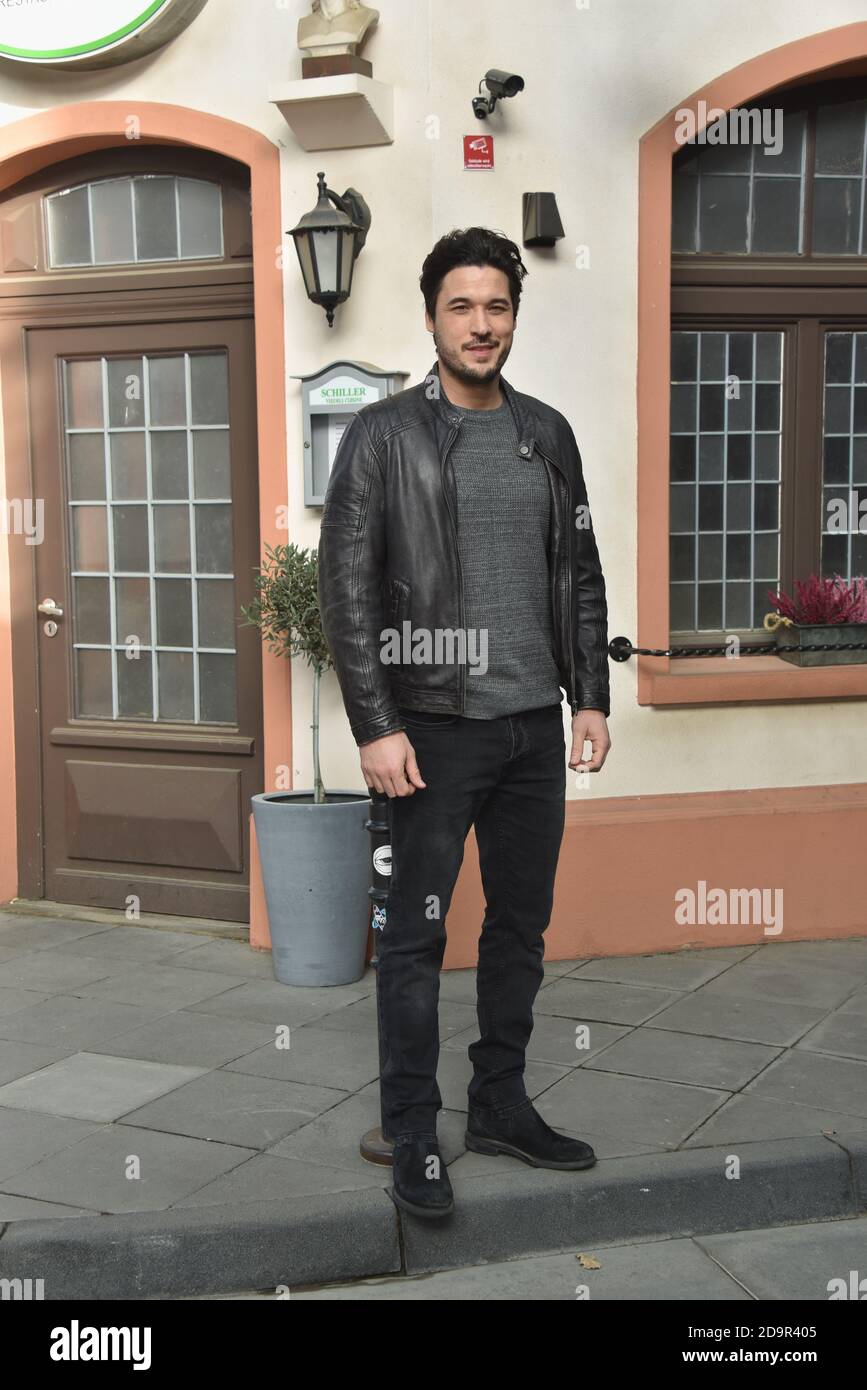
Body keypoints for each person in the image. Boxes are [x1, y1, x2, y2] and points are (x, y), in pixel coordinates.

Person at [317, 226, 612, 1219]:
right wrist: (375, 723)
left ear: (513, 316)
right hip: (432, 731)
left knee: (519, 929)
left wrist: (592, 697)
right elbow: (346, 591)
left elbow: (580, 573)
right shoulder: (385, 435)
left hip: (533, 727)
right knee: (414, 939)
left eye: (497, 306)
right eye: (462, 306)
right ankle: (412, 1131)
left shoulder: (550, 434)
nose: (481, 324)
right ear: (433, 314)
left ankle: (498, 1105)